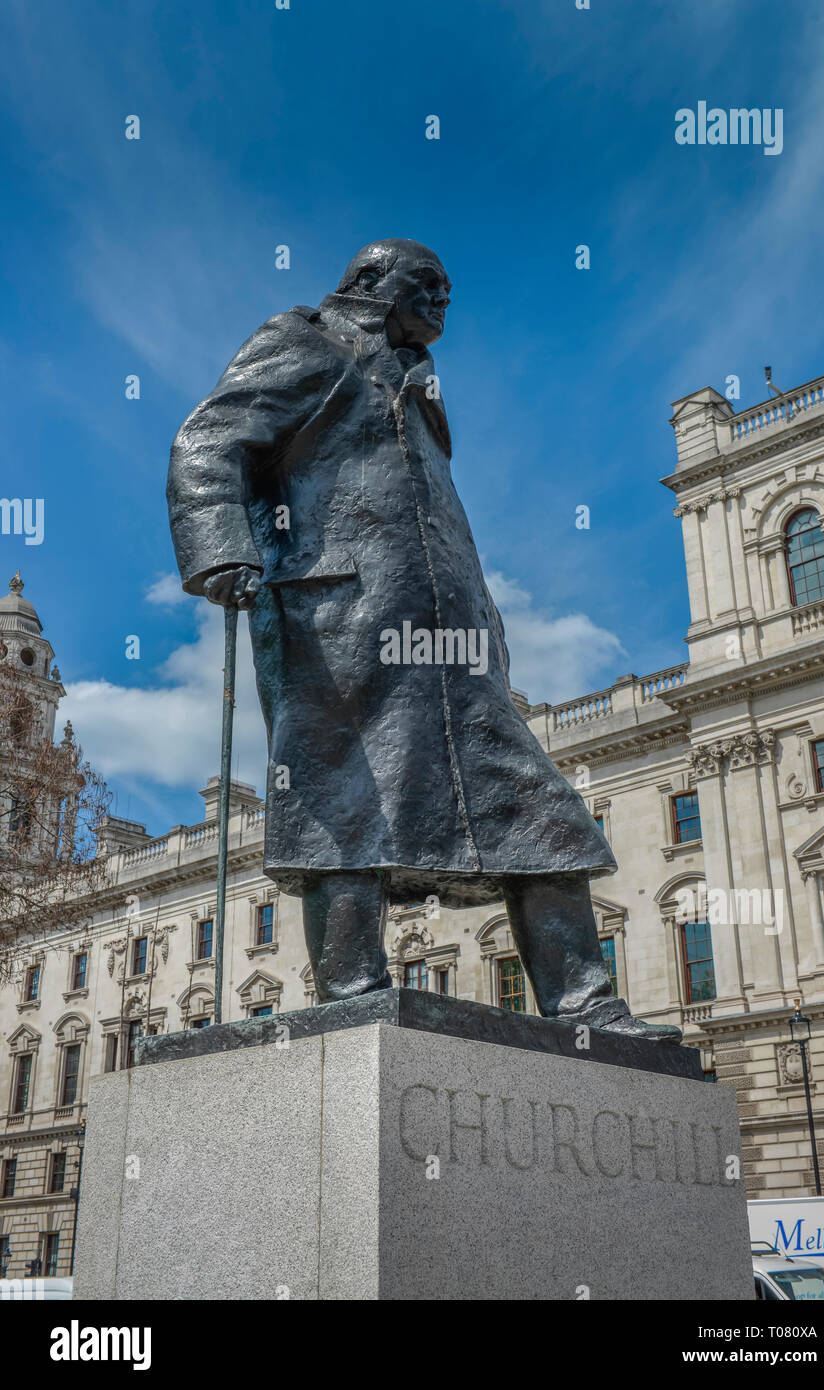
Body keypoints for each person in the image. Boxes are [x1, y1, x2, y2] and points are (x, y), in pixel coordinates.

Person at [167, 238, 681, 1042]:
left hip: (452, 642)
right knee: (344, 796)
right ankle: (352, 991)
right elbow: (208, 441)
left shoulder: (419, 382)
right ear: (370, 282)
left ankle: (586, 1005)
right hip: (337, 618)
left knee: (537, 806)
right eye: (428, 285)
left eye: (449, 289)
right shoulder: (303, 340)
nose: (444, 300)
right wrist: (222, 546)